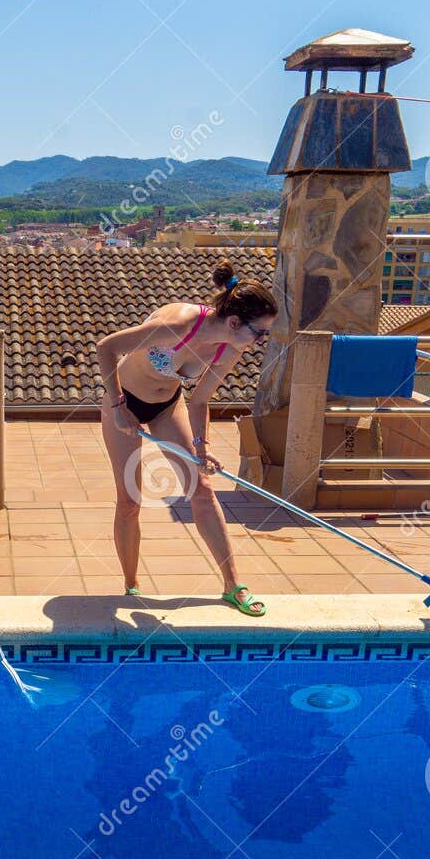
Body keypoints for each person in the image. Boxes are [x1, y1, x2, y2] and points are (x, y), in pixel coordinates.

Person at [96, 260, 278, 615]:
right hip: (123, 400)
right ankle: (131, 585)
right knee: (130, 500)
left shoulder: (230, 347)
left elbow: (200, 400)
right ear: (235, 322)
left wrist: (201, 447)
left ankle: (232, 585)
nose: (260, 342)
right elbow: (106, 347)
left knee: (202, 488)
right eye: (260, 333)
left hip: (166, 405)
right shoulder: (178, 325)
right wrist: (119, 406)